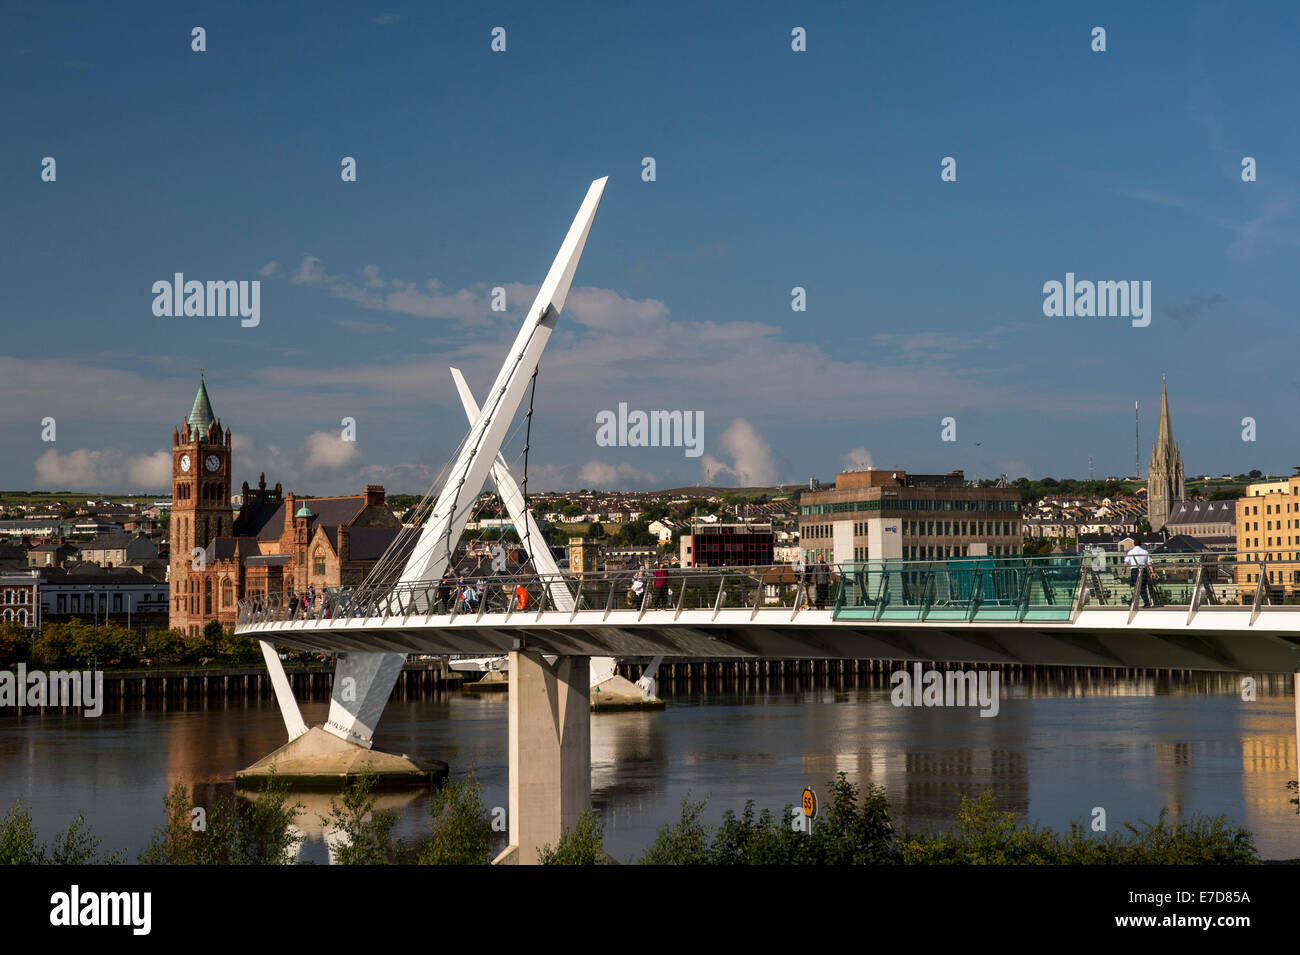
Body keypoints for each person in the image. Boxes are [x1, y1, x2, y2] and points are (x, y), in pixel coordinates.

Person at [1124, 543, 1153, 608]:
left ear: (1134, 544)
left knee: (1138, 587)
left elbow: (1126, 562)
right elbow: (1149, 563)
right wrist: (1152, 572)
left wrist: (1124, 570)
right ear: (1140, 544)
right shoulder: (1145, 552)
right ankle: (1133, 601)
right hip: (1144, 569)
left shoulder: (1130, 552)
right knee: (1142, 586)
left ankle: (1146, 603)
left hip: (1134, 570)